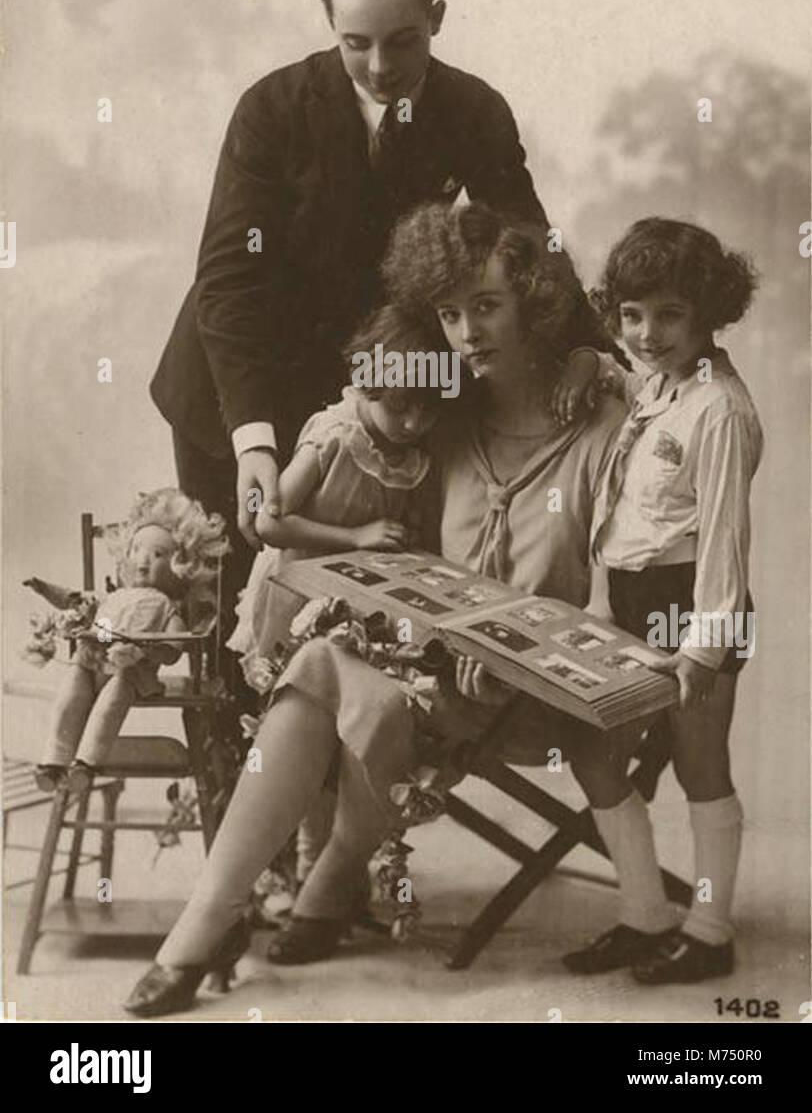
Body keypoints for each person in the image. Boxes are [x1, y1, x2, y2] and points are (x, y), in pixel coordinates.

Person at [124, 202, 624, 1017]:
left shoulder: (600, 414)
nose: (466, 333)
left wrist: (595, 361)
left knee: (351, 686)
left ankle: (311, 885)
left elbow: (632, 557)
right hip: (432, 675)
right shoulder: (449, 417)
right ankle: (217, 918)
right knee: (329, 666)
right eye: (451, 313)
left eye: (487, 307)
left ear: (533, 300)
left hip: (538, 690)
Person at [149, 0, 618, 629]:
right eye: (355, 43)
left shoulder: (474, 111)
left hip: (370, 394)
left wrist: (588, 346)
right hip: (235, 388)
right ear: (331, 27)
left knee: (359, 612)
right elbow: (226, 278)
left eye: (402, 41)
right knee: (235, 610)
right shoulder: (270, 110)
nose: (378, 66)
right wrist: (254, 439)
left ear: (437, 17)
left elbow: (527, 237)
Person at [562, 218, 762, 984]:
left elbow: (723, 539)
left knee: (698, 762)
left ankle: (709, 933)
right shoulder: (662, 384)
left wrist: (703, 645)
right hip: (634, 598)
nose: (646, 333)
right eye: (632, 314)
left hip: (692, 601)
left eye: (669, 315)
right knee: (594, 748)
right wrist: (595, 363)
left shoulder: (720, 409)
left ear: (708, 312)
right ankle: (644, 915)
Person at [228, 303, 449, 900]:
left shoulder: (414, 452)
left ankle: (329, 877)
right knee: (295, 733)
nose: (409, 422)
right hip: (295, 600)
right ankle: (292, 873)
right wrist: (354, 538)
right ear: (369, 382)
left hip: (353, 613)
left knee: (343, 735)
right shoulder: (337, 434)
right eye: (398, 405)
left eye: (426, 408)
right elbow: (270, 523)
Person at [26, 490, 228, 795]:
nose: (144, 560)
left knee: (111, 702)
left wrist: (143, 650)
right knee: (70, 694)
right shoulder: (112, 597)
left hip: (132, 671)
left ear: (180, 566)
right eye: (136, 549)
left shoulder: (165, 606)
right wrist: (43, 589)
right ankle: (54, 761)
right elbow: (72, 599)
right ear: (125, 554)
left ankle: (86, 763)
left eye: (159, 554)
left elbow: (175, 649)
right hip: (90, 660)